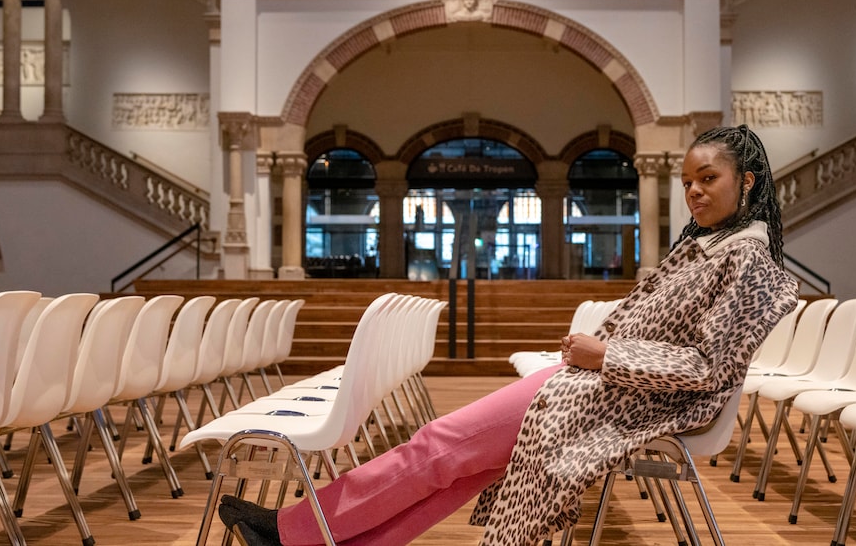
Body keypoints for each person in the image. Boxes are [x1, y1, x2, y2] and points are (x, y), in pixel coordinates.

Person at [217, 125, 799, 546]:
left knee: (439, 445)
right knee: (462, 467)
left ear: (746, 182)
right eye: (688, 181)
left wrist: (607, 353)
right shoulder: (715, 246)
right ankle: (319, 536)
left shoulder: (747, 260)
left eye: (708, 178)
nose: (694, 192)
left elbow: (708, 367)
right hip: (606, 387)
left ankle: (297, 529)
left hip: (624, 398)